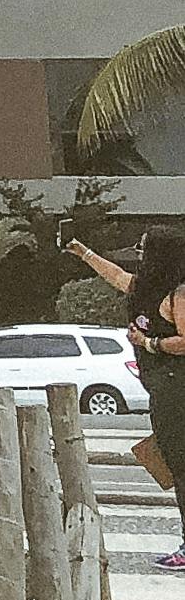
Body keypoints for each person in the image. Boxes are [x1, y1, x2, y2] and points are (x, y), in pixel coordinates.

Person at [70, 227, 185, 571]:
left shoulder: (178, 294)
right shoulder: (143, 288)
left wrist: (148, 343)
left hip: (177, 388)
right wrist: (83, 252)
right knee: (174, 464)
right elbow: (117, 276)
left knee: (181, 468)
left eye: (144, 248)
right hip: (162, 388)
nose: (139, 253)